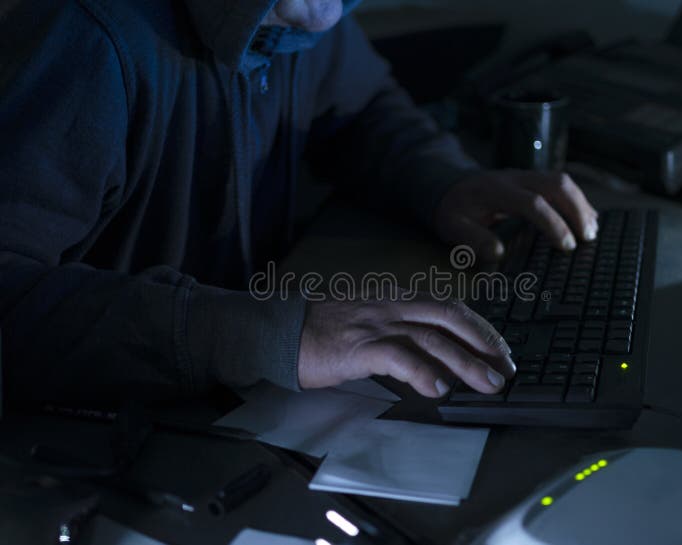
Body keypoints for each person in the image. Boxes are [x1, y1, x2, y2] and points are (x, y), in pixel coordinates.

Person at [0, 0, 597, 405]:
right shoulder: (85, 36)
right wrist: (267, 336)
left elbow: (363, 110)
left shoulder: (307, 14)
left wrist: (444, 183)